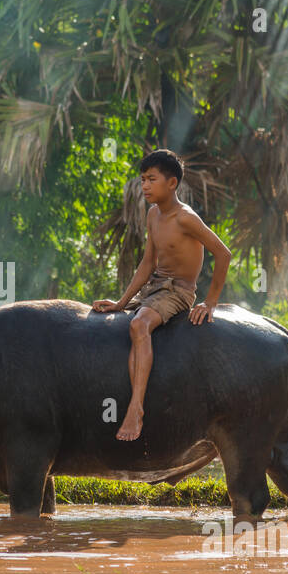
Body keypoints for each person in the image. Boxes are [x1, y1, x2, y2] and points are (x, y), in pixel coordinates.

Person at [92, 149, 232, 441]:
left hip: (177, 291)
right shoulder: (153, 214)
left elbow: (223, 253)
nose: (144, 186)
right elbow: (147, 264)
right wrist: (121, 302)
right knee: (102, 315)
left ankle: (136, 408)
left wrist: (210, 301)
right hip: (154, 287)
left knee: (138, 325)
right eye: (142, 179)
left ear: (172, 183)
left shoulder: (186, 219)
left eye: (151, 179)